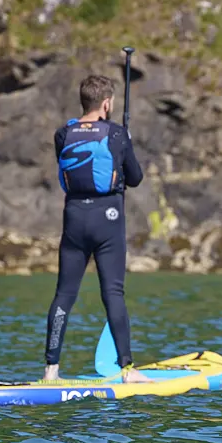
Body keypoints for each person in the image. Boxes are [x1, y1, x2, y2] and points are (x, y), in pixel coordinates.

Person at [44, 74, 146, 382]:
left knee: (64, 293)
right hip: (108, 219)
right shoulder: (116, 134)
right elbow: (136, 177)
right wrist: (124, 139)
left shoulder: (63, 133)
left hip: (74, 217)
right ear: (106, 103)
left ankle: (51, 370)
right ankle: (128, 369)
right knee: (113, 292)